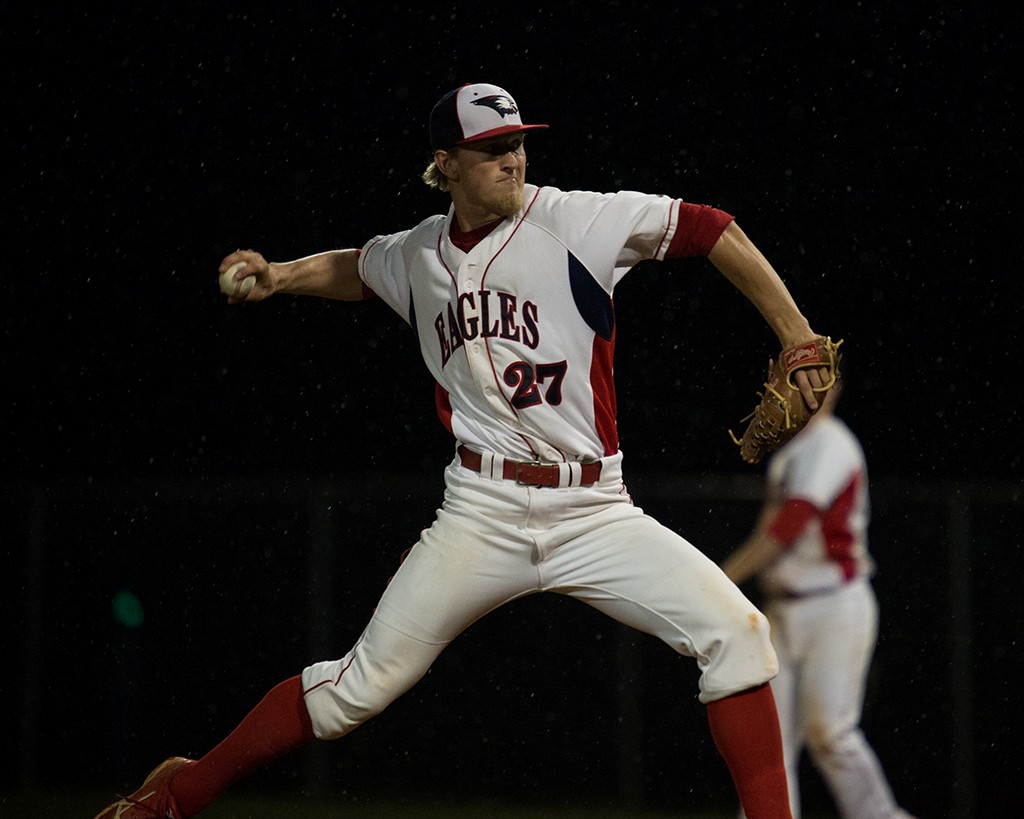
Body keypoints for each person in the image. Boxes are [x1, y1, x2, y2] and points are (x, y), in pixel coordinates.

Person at [96, 81, 834, 819]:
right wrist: (282, 275)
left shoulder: (576, 220)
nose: (512, 160)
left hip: (594, 509)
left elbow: (708, 227)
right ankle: (179, 792)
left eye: (517, 143)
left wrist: (796, 334)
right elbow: (359, 267)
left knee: (738, 637)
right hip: (480, 511)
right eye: (490, 150)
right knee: (357, 690)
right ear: (444, 163)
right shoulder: (419, 253)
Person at [720, 369, 914, 819]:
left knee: (831, 734)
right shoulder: (790, 451)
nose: (795, 390)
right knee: (771, 745)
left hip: (833, 605)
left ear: (832, 390)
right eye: (789, 379)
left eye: (813, 380)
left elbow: (788, 528)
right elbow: (771, 530)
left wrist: (721, 579)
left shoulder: (831, 443)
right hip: (783, 609)